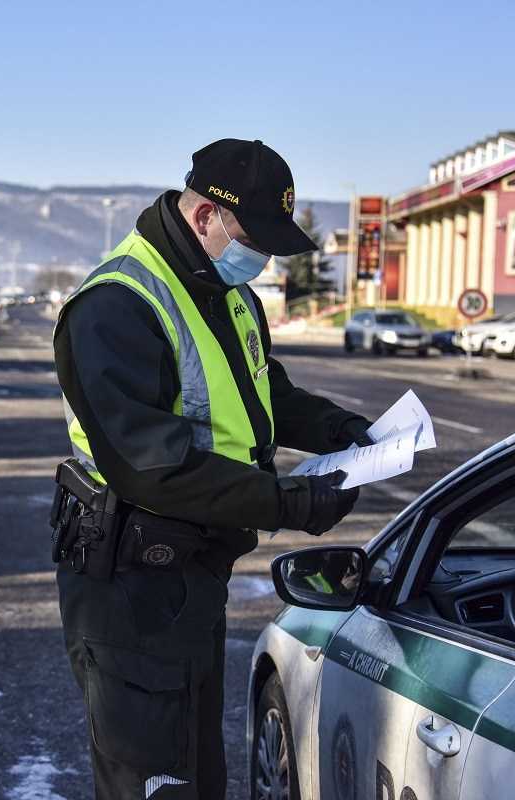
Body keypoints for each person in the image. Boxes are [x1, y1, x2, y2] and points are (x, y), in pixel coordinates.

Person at [52, 138, 372, 799]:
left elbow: (264, 394)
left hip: (193, 578)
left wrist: (340, 429)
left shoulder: (224, 291)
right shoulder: (117, 305)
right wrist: (291, 503)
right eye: (256, 239)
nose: (264, 259)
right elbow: (152, 469)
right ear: (205, 218)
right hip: (132, 587)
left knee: (199, 777)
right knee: (155, 784)